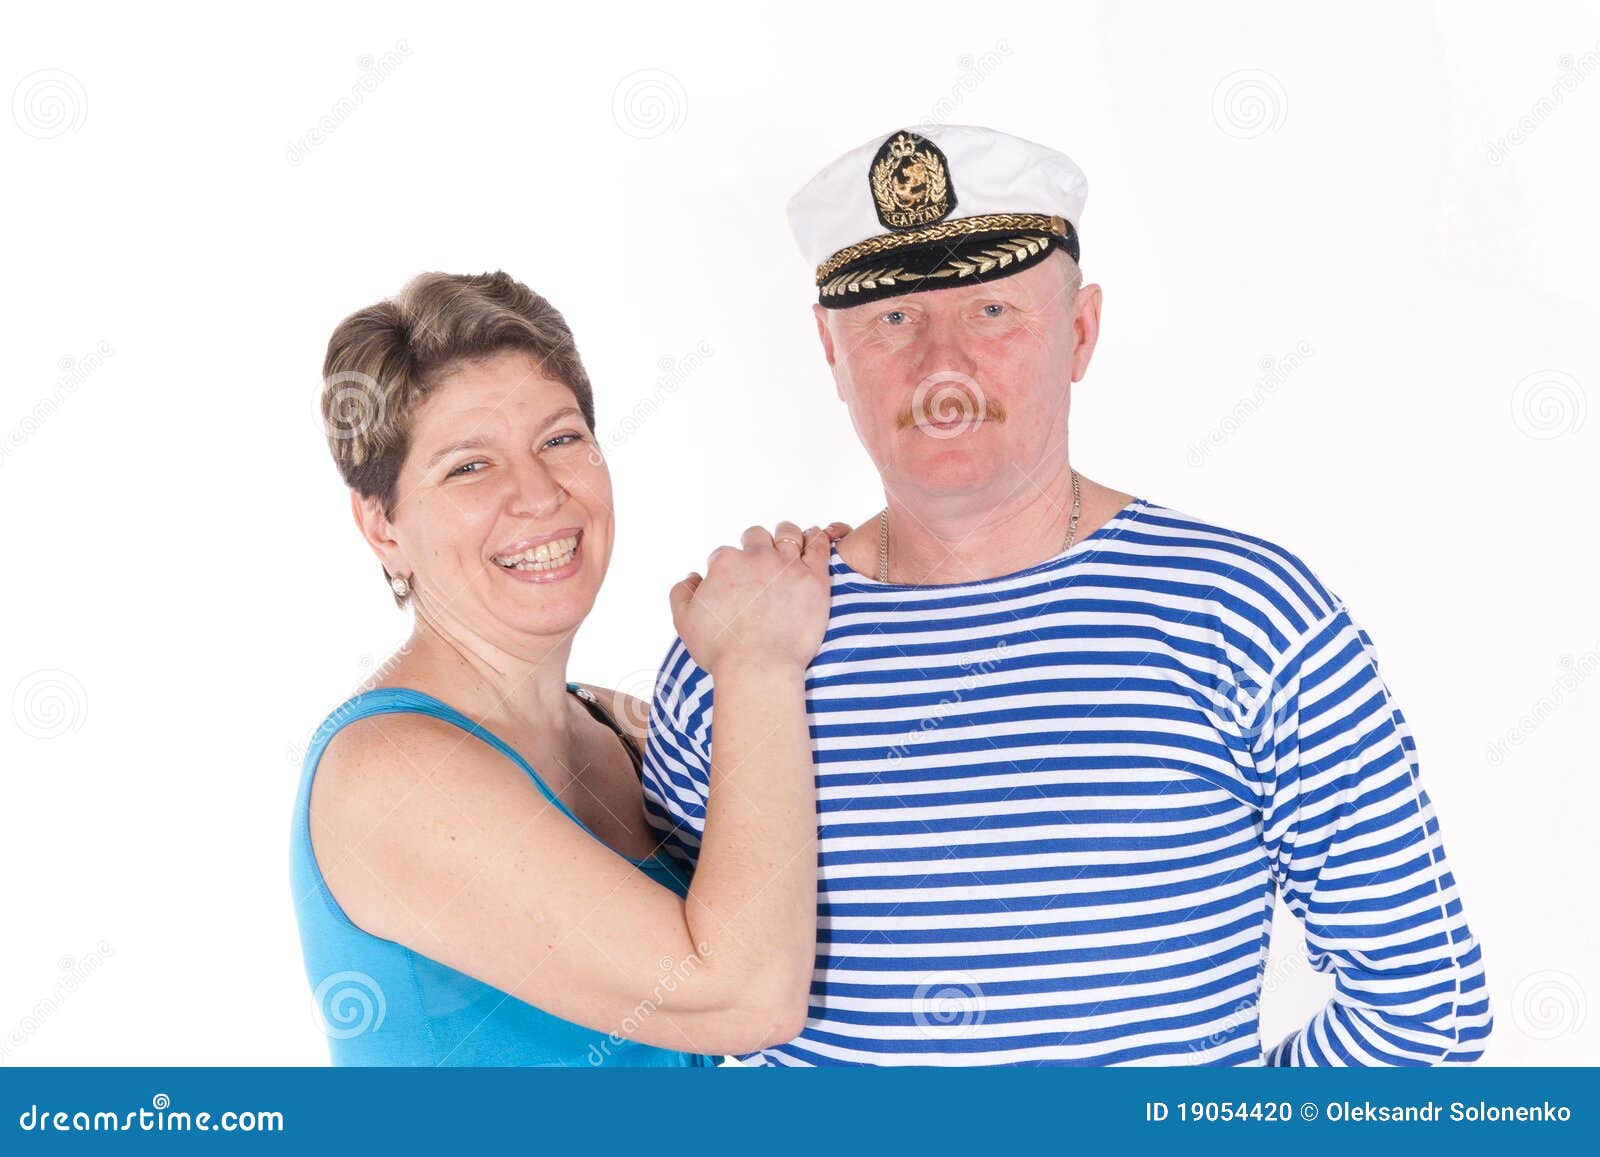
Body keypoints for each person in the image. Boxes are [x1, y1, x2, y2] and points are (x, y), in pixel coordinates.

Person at [640, 125, 1494, 1066]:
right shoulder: (739, 650)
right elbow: (683, 1017)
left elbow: (1427, 1012)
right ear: (828, 350)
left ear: (1081, 332)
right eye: (891, 320)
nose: (940, 365)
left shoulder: (1245, 618)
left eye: (994, 310)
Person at [290, 270, 839, 1065]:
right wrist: (756, 661)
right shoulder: (387, 774)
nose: (540, 493)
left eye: (560, 439)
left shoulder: (615, 724)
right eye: (469, 467)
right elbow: (745, 993)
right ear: (381, 524)